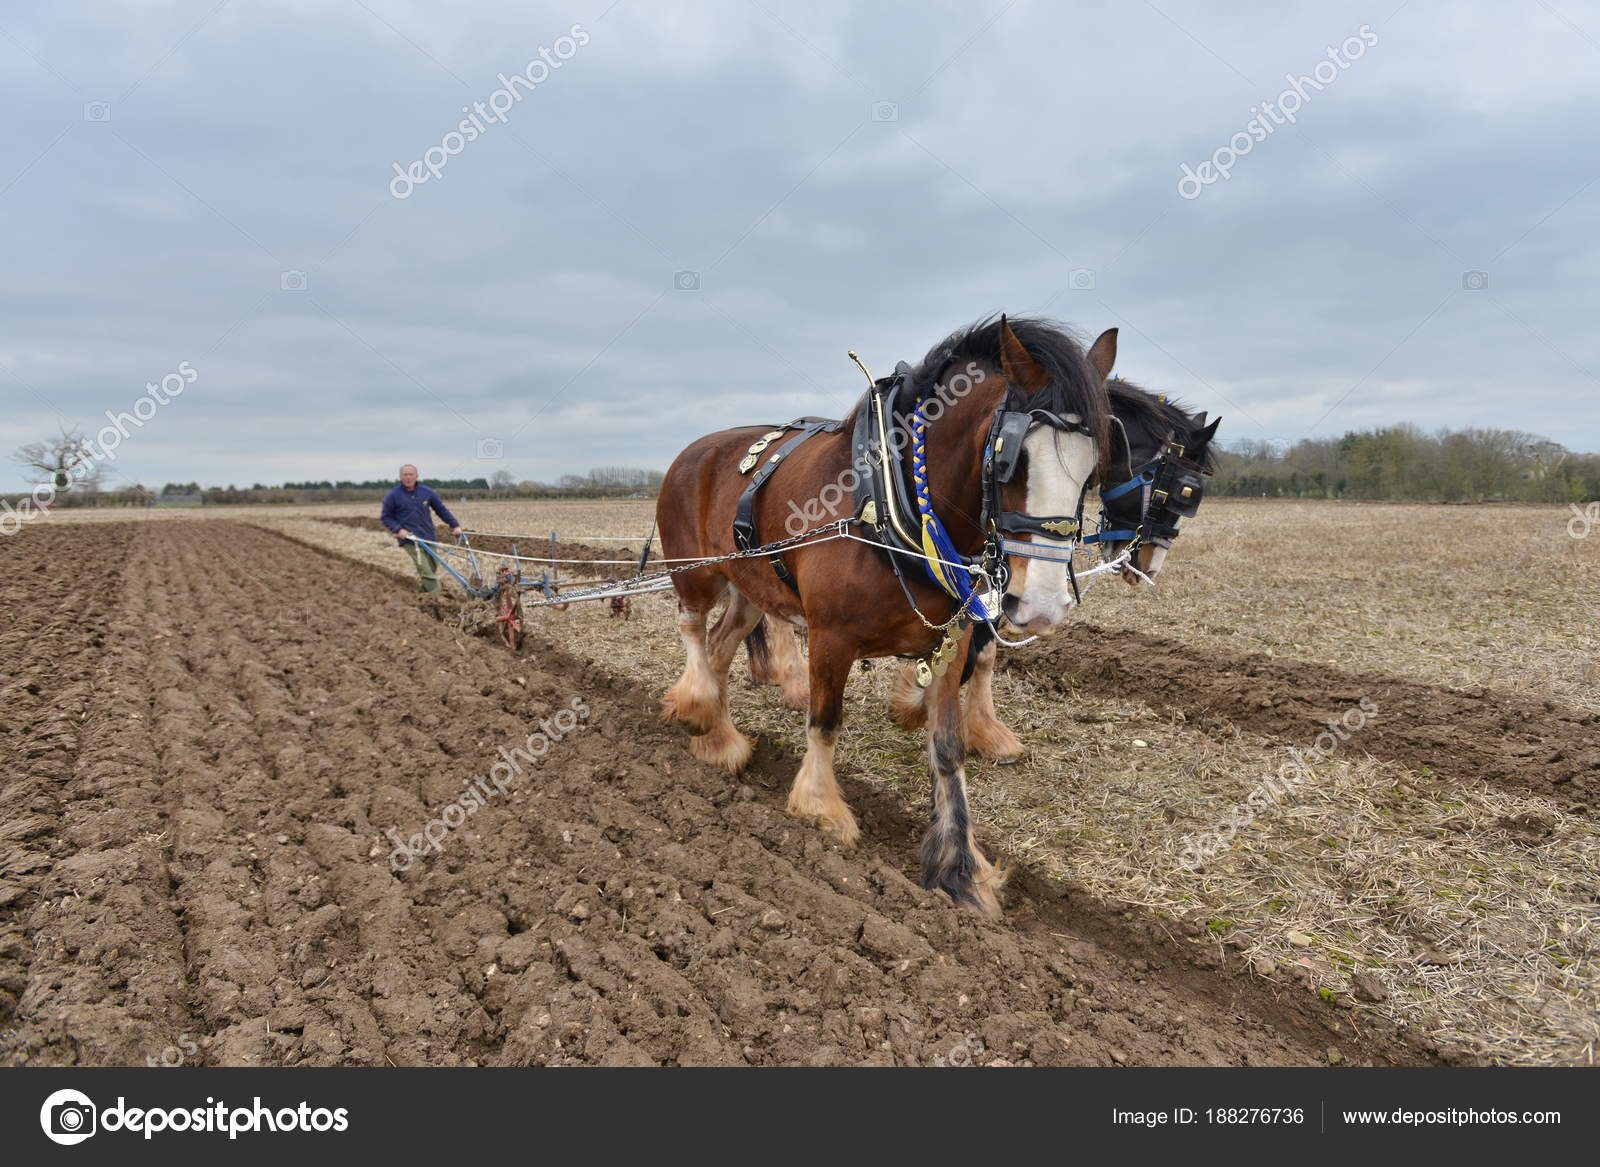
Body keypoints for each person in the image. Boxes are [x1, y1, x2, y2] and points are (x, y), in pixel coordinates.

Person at [381, 464, 462, 593]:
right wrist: (398, 529)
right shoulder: (393, 496)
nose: (408, 477)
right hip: (410, 539)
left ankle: (424, 596)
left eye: (410, 474)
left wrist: (455, 525)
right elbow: (386, 517)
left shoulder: (428, 492)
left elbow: (441, 510)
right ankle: (437, 597)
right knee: (425, 570)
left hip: (429, 536)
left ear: (416, 476)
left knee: (432, 567)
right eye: (405, 475)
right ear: (400, 477)